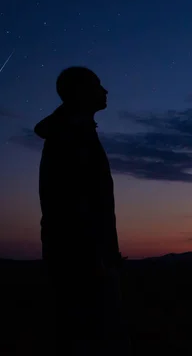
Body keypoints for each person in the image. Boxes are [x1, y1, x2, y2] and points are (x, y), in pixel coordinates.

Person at [34, 66, 131, 355]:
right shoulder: (70, 137)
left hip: (84, 255)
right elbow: (72, 203)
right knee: (91, 335)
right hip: (81, 258)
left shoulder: (77, 132)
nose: (105, 91)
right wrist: (98, 257)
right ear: (80, 93)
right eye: (97, 85)